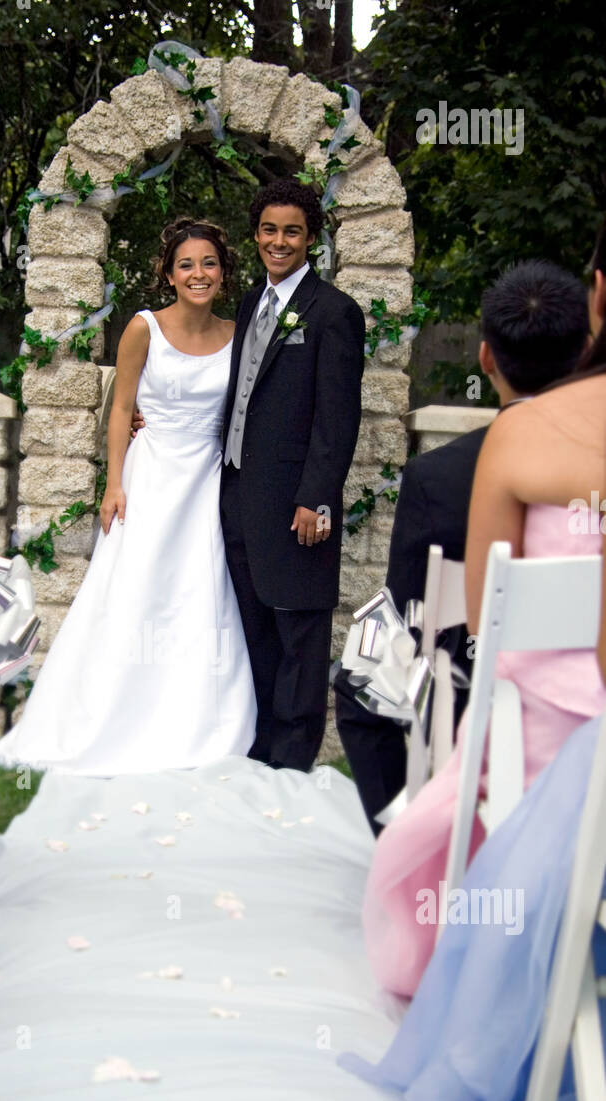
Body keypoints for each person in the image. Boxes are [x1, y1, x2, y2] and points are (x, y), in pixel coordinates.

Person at [360, 224, 606, 1001]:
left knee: (386, 689)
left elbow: (464, 621)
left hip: (546, 737)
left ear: (486, 357)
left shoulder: (494, 450)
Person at [0, 218, 257, 776]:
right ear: (168, 273)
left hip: (208, 478)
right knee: (137, 588)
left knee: (198, 593)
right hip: (151, 474)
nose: (198, 273)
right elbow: (119, 409)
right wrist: (114, 483)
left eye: (209, 263)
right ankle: (109, 717)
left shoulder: (242, 333)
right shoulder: (143, 329)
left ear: (224, 273)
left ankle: (196, 724)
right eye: (186, 264)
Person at [335, 260, 591, 833]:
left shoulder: (441, 475)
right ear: (584, 353)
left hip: (480, 690)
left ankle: (415, 839)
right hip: (586, 686)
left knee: (361, 667)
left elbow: (407, 615)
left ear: (486, 359)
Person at [219, 178, 365, 772]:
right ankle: (260, 746)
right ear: (256, 235)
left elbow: (338, 420)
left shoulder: (334, 313)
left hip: (297, 503)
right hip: (237, 494)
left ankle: (293, 758)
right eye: (269, 230)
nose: (279, 242)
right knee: (254, 624)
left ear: (312, 239)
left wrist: (317, 500)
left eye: (293, 232)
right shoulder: (252, 300)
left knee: (300, 631)